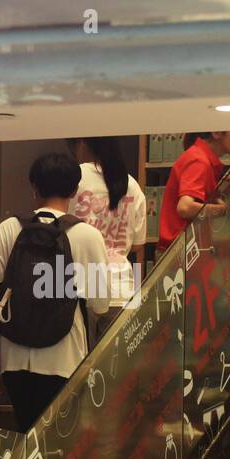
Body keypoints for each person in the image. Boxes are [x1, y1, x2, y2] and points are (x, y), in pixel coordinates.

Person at [0, 152, 110, 432]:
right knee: (60, 439)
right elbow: (100, 306)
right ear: (74, 191)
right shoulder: (88, 236)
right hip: (65, 359)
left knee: (26, 436)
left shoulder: (8, 229)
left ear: (34, 188)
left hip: (14, 359)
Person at [67, 136, 147, 339]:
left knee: (84, 358)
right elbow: (137, 245)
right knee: (115, 358)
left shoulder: (74, 178)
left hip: (81, 286)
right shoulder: (132, 185)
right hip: (122, 288)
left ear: (82, 143)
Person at [157, 131, 230, 255]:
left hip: (186, 250)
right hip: (177, 256)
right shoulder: (199, 160)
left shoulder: (201, 157)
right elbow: (184, 208)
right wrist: (222, 210)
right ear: (217, 133)